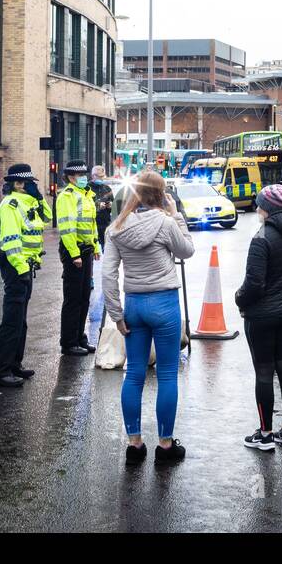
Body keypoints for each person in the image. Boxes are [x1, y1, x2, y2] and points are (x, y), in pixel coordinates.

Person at [101, 170, 196, 465]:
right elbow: (187, 250)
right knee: (167, 374)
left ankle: (134, 444)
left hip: (134, 304)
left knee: (134, 374)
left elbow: (108, 274)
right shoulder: (166, 223)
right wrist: (176, 213)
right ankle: (166, 445)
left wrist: (116, 314)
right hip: (164, 303)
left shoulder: (116, 228)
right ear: (160, 194)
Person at [237, 182, 282, 451]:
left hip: (263, 315)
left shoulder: (262, 237)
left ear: (266, 207)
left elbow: (254, 284)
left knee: (264, 372)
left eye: (259, 204)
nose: (256, 208)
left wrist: (239, 298)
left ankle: (265, 435)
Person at [0, 163, 48, 389]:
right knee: (11, 322)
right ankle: (0, 372)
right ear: (17, 183)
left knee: (21, 321)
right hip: (16, 268)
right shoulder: (10, 206)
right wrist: (22, 270)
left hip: (26, 266)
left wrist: (40, 198)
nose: (31, 186)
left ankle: (14, 364)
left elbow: (47, 218)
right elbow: (12, 243)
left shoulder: (28, 203)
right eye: (28, 183)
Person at [56, 158, 99, 357]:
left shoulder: (86, 195)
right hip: (74, 251)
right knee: (73, 298)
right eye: (80, 175)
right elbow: (67, 228)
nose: (84, 178)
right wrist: (74, 254)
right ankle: (69, 342)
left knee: (84, 297)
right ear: (71, 177)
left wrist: (95, 246)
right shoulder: (67, 196)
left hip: (86, 250)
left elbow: (91, 225)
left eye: (85, 175)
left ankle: (80, 337)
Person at [88, 166, 114, 251]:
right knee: (91, 250)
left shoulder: (107, 188)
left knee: (107, 250)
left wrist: (110, 205)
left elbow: (114, 205)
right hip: (91, 224)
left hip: (105, 223)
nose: (101, 178)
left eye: (102, 176)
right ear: (93, 176)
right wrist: (98, 206)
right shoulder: (87, 188)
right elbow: (85, 205)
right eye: (99, 176)